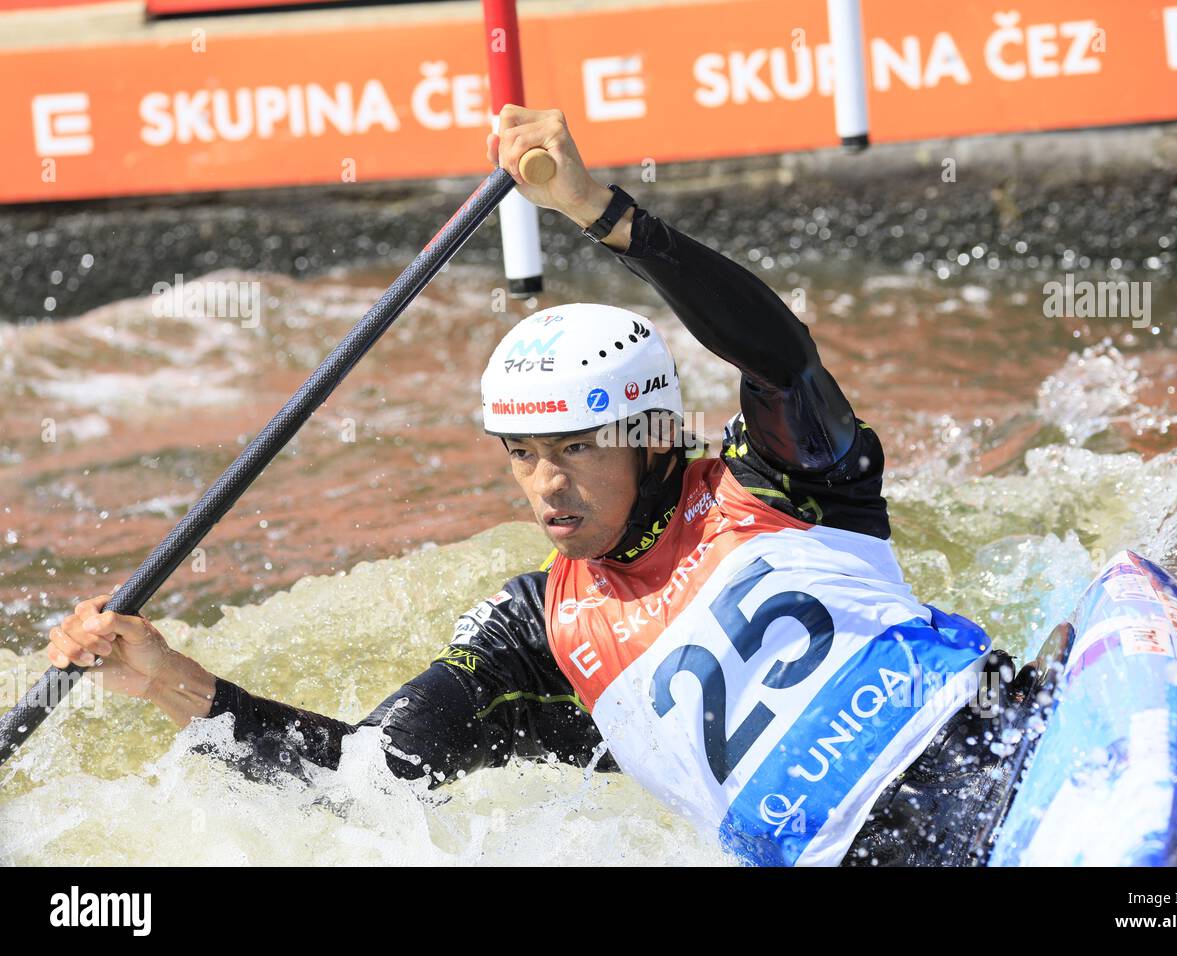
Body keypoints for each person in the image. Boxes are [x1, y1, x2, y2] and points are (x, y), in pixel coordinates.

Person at [45, 106, 1059, 866]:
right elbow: (366, 779)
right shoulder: (537, 629)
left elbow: (780, 352)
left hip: (999, 754)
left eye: (575, 449)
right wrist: (168, 678)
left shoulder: (787, 479)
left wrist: (605, 215)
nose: (544, 486)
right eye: (521, 455)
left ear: (655, 438)